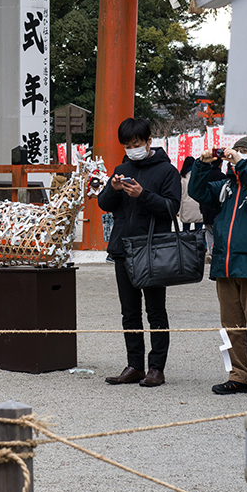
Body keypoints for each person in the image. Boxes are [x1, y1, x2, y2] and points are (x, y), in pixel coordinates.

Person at [97, 117, 183, 388]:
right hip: (124, 248)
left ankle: (156, 367)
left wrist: (142, 195)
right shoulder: (122, 168)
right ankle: (134, 365)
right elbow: (103, 204)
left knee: (156, 310)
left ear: (149, 141)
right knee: (129, 311)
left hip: (153, 249)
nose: (132, 148)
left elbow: (171, 208)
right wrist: (113, 189)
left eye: (137, 143)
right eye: (127, 144)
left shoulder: (167, 171)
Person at [189, 135, 247, 397]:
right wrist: (202, 165)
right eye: (236, 150)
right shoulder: (227, 186)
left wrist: (242, 166)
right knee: (230, 324)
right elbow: (197, 192)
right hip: (224, 263)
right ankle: (238, 374)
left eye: (245, 151)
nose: (238, 154)